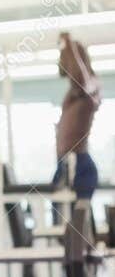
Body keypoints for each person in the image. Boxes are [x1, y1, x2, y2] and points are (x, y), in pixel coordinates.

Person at [55, 32, 101, 202]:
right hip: (66, 164)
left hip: (79, 165)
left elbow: (79, 79)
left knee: (76, 227)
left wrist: (68, 43)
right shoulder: (75, 93)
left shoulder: (91, 85)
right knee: (62, 224)